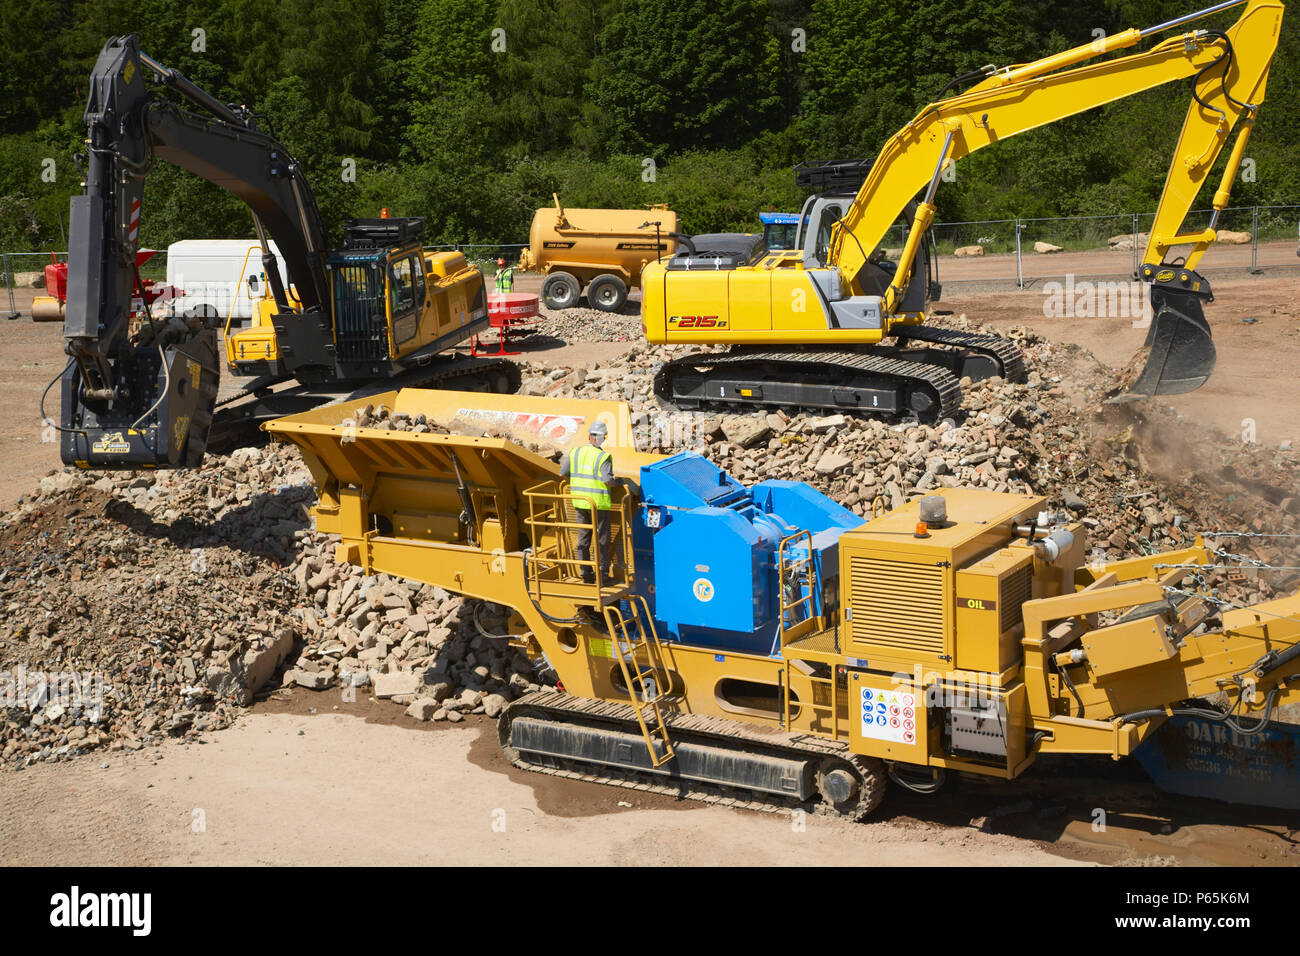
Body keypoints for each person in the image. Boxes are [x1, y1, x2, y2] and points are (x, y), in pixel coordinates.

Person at [561, 420, 615, 584]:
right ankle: (602, 576)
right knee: (602, 540)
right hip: (598, 504)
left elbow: (563, 472)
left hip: (579, 503)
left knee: (583, 539)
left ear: (589, 436)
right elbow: (607, 480)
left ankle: (585, 573)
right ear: (603, 438)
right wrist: (618, 482)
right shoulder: (603, 456)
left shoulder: (575, 452)